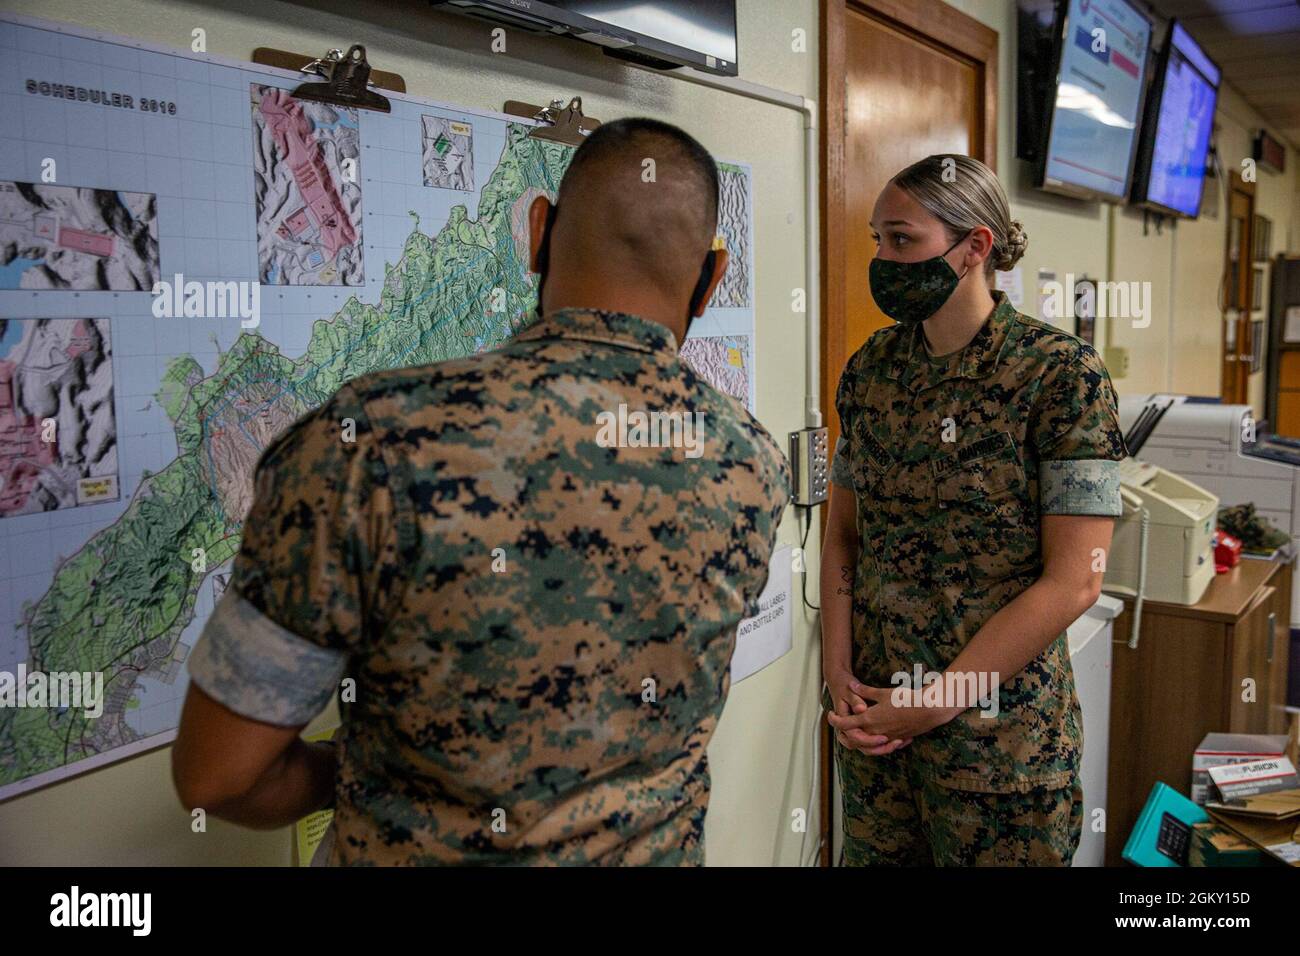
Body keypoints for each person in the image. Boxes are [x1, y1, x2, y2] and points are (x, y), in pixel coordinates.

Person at [172, 118, 791, 865]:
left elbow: (219, 776)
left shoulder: (367, 443)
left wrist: (372, 770)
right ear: (711, 278)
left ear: (536, 232)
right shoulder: (752, 462)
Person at [819, 154, 1126, 866]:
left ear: (975, 247)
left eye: (903, 240)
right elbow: (842, 535)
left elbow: (1076, 578)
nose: (884, 260)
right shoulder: (872, 369)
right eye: (877, 242)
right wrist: (838, 670)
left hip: (1000, 755)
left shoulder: (1061, 375)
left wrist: (935, 702)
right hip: (877, 736)